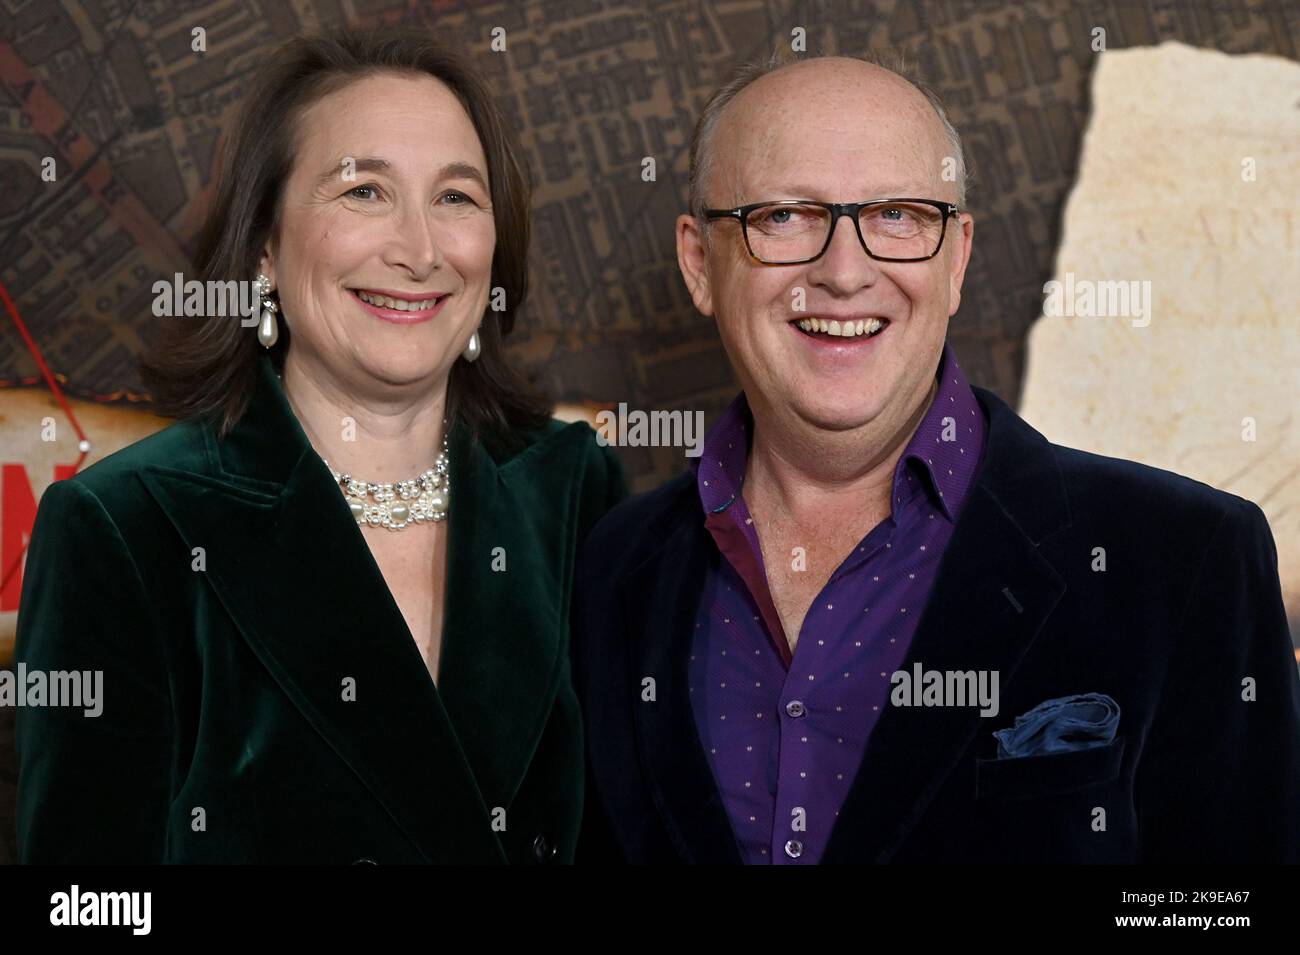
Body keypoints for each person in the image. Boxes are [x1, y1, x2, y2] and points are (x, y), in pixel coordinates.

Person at [572, 51, 1299, 864]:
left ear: (956, 258)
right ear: (700, 262)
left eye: (899, 216)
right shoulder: (613, 569)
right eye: (783, 216)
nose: (844, 272)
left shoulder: (1187, 558)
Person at [16, 26, 623, 864]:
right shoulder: (126, 529)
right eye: (363, 192)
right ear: (263, 245)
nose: (417, 250)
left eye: (456, 198)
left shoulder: (575, 489)